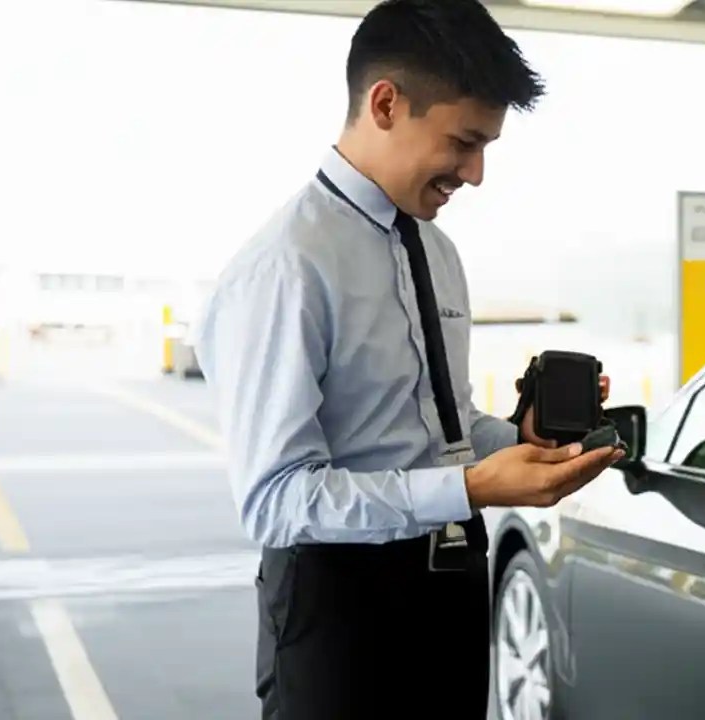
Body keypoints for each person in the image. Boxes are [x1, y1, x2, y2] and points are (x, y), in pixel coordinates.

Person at [190, 0, 624, 717]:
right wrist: (473, 488)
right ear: (385, 103)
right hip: (341, 611)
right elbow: (276, 501)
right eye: (463, 142)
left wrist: (516, 439)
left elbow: (439, 427)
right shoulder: (286, 268)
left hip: (450, 591)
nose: (476, 173)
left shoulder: (437, 249)